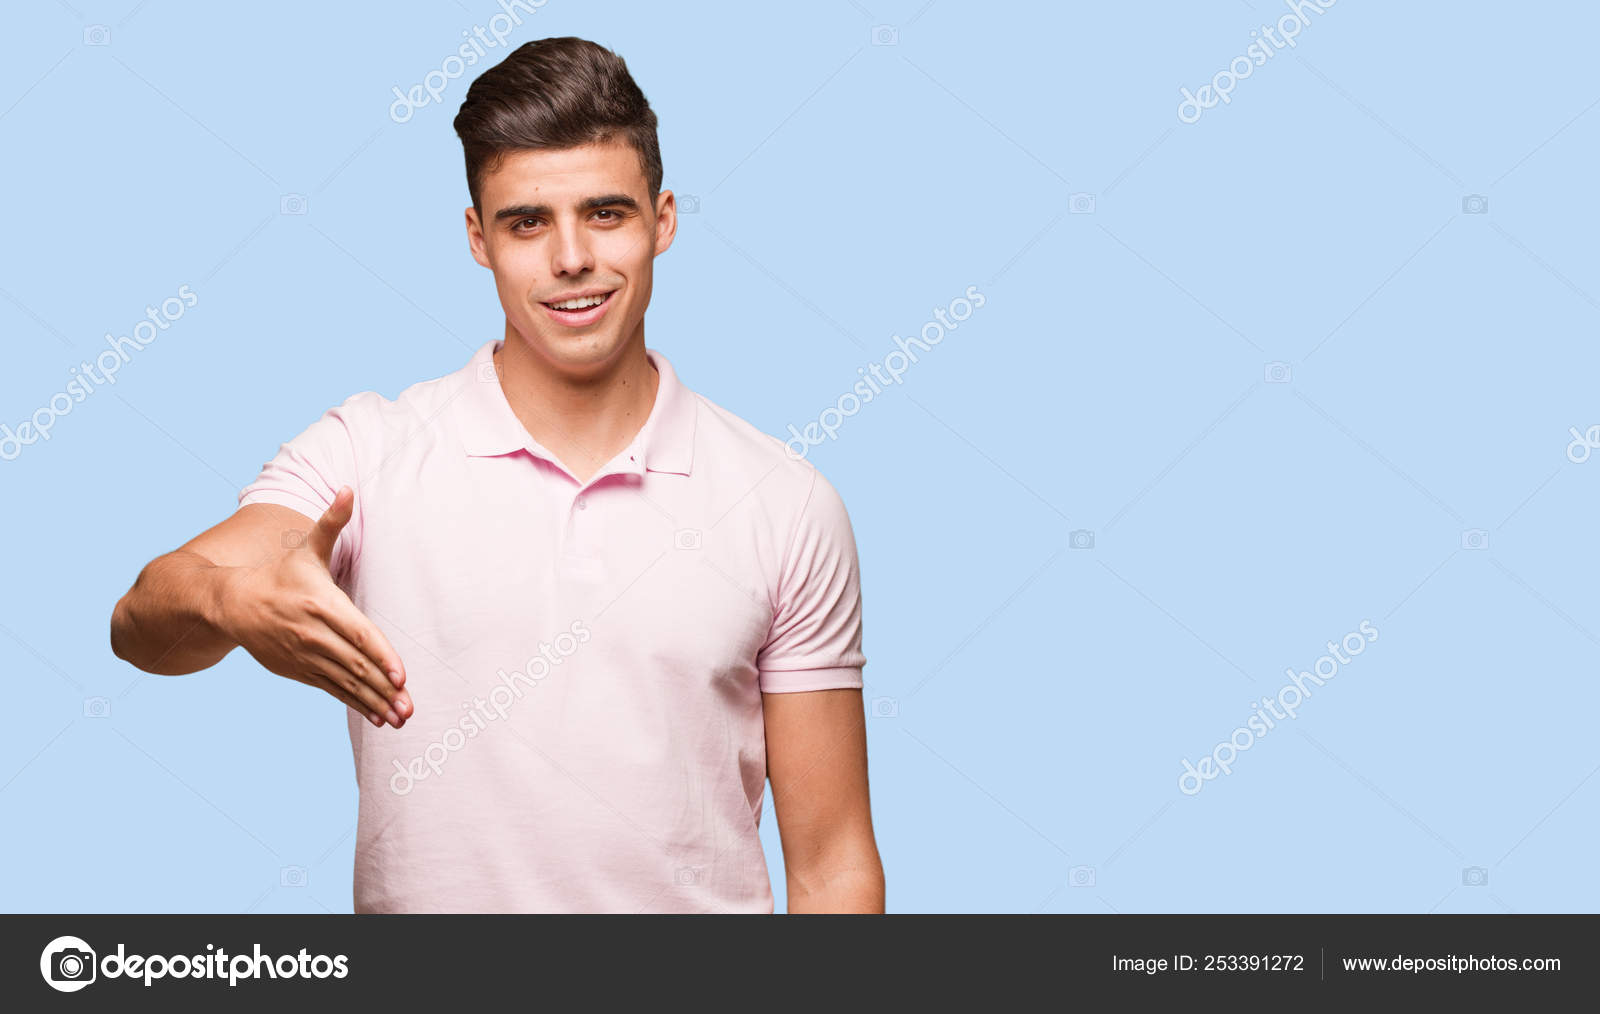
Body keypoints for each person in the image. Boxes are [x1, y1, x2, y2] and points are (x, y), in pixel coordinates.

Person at [110, 36, 883, 914]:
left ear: (662, 220)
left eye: (605, 214)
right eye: (527, 223)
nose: (570, 259)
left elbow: (833, 865)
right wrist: (233, 604)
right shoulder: (367, 454)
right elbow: (142, 623)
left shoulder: (784, 503)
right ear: (479, 238)